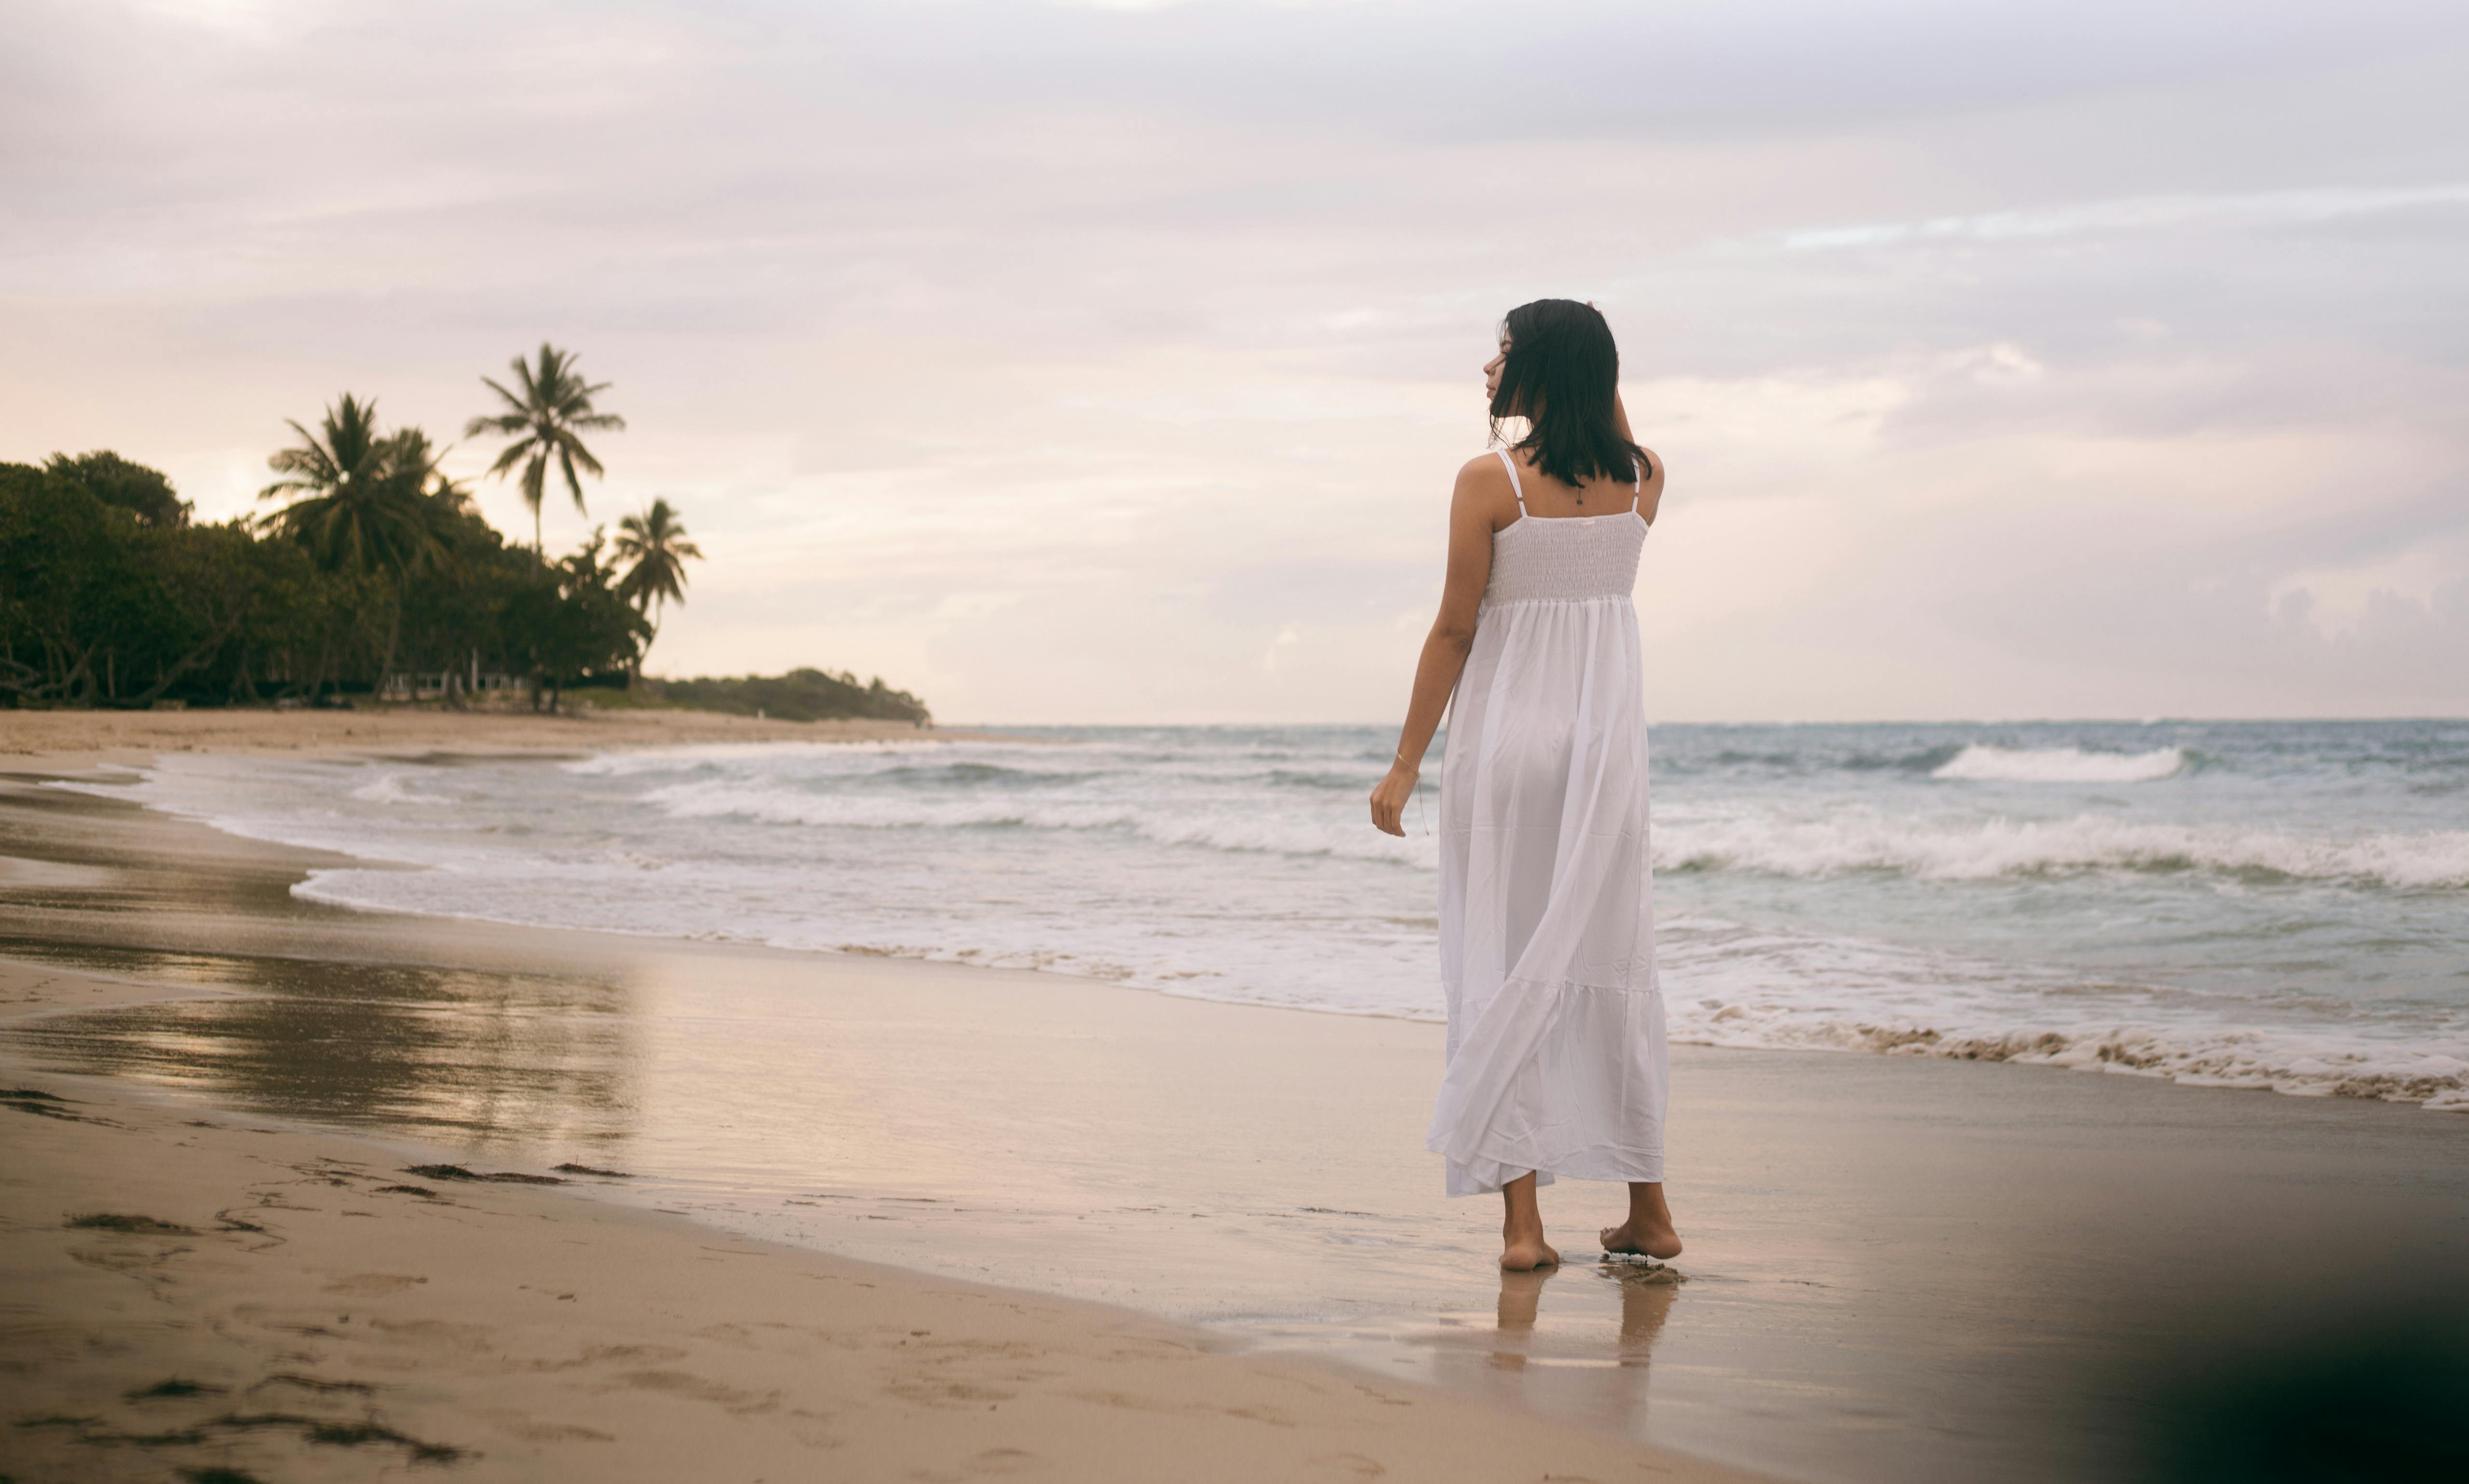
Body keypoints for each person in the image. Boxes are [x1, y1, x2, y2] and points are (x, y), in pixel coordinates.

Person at [1369, 298, 1680, 1272]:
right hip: (1603, 763)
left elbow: (1456, 629)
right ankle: (1649, 1211)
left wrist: (1407, 760)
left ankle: (1522, 1230)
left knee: (1500, 961)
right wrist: (1589, 363)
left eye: (1504, 350)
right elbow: (1618, 433)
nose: (1487, 365)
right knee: (1613, 966)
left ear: (1537, 369)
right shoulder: (1643, 483)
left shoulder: (1489, 481)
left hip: (1506, 754)